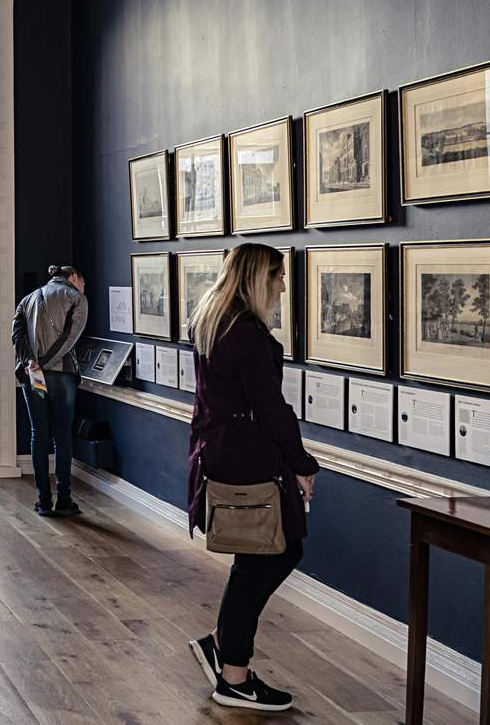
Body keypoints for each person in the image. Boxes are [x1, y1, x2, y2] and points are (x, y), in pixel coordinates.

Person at [184, 243, 318, 712]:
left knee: (255, 558)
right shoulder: (245, 334)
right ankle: (234, 678)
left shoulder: (214, 322)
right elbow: (272, 410)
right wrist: (303, 464)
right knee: (276, 552)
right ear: (257, 278)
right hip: (248, 459)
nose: (284, 285)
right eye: (278, 276)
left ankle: (222, 646)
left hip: (222, 452)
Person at [11, 265, 89, 516]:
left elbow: (17, 335)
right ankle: (63, 499)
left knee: (38, 434)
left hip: (33, 375)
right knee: (62, 437)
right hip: (61, 375)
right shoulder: (77, 299)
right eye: (83, 282)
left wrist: (29, 361)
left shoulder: (28, 299)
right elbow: (70, 338)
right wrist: (43, 362)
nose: (83, 287)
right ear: (74, 277)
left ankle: (43, 500)